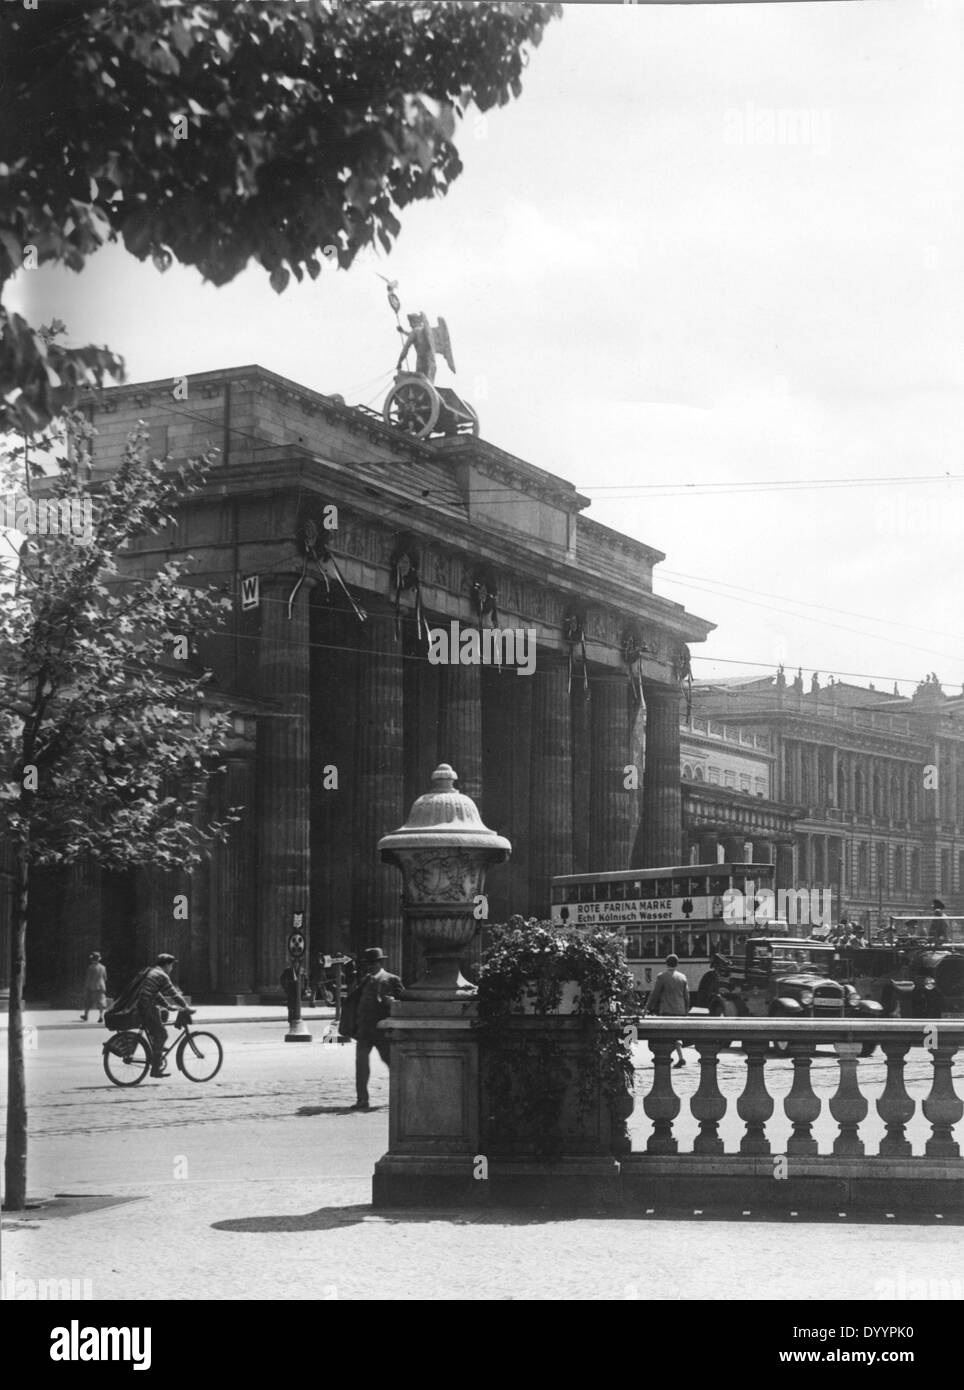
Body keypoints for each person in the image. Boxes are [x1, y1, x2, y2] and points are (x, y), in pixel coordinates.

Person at [352, 947, 404, 1111]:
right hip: (365, 1031)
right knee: (361, 1065)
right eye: (368, 963)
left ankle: (401, 1096)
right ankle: (362, 1099)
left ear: (381, 963)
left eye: (374, 963)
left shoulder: (392, 979)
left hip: (382, 1031)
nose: (371, 966)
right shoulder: (365, 980)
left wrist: (393, 1002)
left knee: (392, 1064)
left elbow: (405, 1001)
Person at [135, 953, 191, 1078]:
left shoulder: (154, 972)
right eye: (171, 966)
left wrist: (167, 1006)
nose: (172, 969)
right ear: (166, 965)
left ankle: (157, 1047)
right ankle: (155, 1069)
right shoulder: (162, 975)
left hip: (144, 1005)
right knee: (162, 1034)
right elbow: (173, 993)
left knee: (163, 1015)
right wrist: (186, 1006)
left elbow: (156, 993)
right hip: (147, 1006)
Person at [643, 953, 690, 1068]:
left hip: (667, 1009)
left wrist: (647, 1008)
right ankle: (681, 1057)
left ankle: (664, 1058)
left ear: (666, 963)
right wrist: (686, 1010)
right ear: (677, 964)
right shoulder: (683, 977)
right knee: (677, 1034)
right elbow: (687, 996)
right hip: (680, 1010)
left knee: (665, 1034)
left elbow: (655, 994)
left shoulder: (662, 976)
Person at [80, 951, 108, 1023]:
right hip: (101, 987)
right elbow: (105, 978)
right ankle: (101, 1016)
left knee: (88, 1001)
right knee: (101, 1002)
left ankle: (86, 1015)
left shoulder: (90, 967)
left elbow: (88, 978)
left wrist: (86, 987)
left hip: (91, 987)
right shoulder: (103, 967)